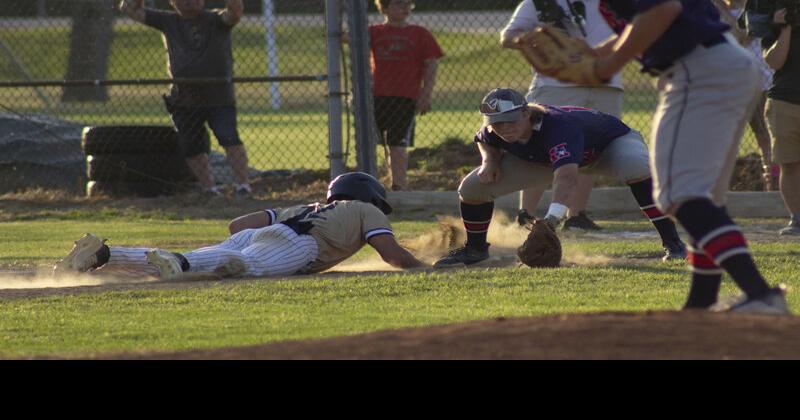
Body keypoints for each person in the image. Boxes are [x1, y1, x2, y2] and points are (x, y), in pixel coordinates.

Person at [583, 0, 789, 313]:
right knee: (705, 199)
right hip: (724, 65)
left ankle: (760, 293)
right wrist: (601, 52)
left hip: (699, 72)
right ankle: (701, 302)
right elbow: (657, 20)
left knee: (679, 194)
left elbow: (663, 10)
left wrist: (606, 67)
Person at [433, 88, 687, 269]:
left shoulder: (557, 126)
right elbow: (484, 140)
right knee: (472, 187)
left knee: (637, 166)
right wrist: (489, 160)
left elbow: (566, 178)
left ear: (526, 114)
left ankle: (673, 244)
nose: (504, 128)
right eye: (497, 124)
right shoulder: (494, 130)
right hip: (543, 158)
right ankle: (476, 250)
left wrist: (552, 220)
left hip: (608, 146)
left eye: (510, 121)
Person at [53, 172, 427, 280]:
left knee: (199, 258)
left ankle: (103, 253)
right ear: (371, 197)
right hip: (300, 245)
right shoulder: (366, 211)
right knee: (249, 268)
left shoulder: (305, 205)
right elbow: (391, 255)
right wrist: (425, 267)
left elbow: (238, 225)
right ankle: (194, 266)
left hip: (263, 233)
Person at [501, 0, 623, 231]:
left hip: (605, 82)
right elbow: (508, 36)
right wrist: (527, 39)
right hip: (557, 84)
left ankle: (576, 216)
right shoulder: (539, 3)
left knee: (592, 150)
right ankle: (526, 214)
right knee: (540, 149)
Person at [119, 0, 253, 197]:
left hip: (218, 97)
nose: (189, 2)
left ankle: (243, 186)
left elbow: (234, 13)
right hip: (184, 99)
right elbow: (128, 9)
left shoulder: (216, 20)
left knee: (229, 138)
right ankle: (209, 189)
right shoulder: (167, 21)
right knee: (191, 146)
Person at [369, 0, 444, 191]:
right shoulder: (373, 32)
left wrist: (425, 95)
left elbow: (431, 64)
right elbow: (346, 39)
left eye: (407, 4)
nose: (404, 8)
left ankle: (400, 186)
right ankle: (375, 184)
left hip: (405, 96)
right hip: (375, 95)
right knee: (376, 142)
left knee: (397, 142)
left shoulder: (420, 34)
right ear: (384, 8)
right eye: (398, 4)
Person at [712, 0, 778, 191]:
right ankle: (719, 182)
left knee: (765, 135)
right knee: (725, 135)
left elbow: (742, 35)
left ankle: (772, 181)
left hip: (761, 79)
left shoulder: (757, 7)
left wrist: (723, 10)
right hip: (729, 82)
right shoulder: (712, 10)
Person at [762, 8, 800, 235]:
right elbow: (774, 62)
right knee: (790, 163)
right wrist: (784, 29)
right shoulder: (773, 29)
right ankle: (797, 219)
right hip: (783, 101)